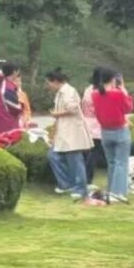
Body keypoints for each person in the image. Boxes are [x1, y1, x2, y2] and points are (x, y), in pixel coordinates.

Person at [91, 67, 134, 203]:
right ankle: (118, 192)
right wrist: (124, 90)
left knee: (111, 162)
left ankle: (111, 189)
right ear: (113, 79)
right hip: (120, 130)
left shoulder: (94, 94)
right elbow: (128, 107)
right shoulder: (118, 94)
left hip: (105, 131)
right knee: (121, 162)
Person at [46, 68, 92, 200]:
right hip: (64, 131)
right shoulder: (60, 93)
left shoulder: (69, 91)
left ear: (55, 81)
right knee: (53, 155)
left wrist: (57, 114)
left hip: (72, 131)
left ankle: (81, 189)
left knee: (75, 160)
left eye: (49, 83)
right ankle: (66, 184)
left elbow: (72, 109)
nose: (48, 86)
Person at [0, 62, 24, 135]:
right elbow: (16, 107)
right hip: (6, 124)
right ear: (14, 72)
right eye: (18, 72)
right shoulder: (7, 87)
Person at [79, 81, 104, 186]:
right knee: (94, 154)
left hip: (86, 124)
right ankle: (87, 179)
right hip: (97, 126)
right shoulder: (100, 92)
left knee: (85, 154)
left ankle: (81, 177)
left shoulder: (87, 90)